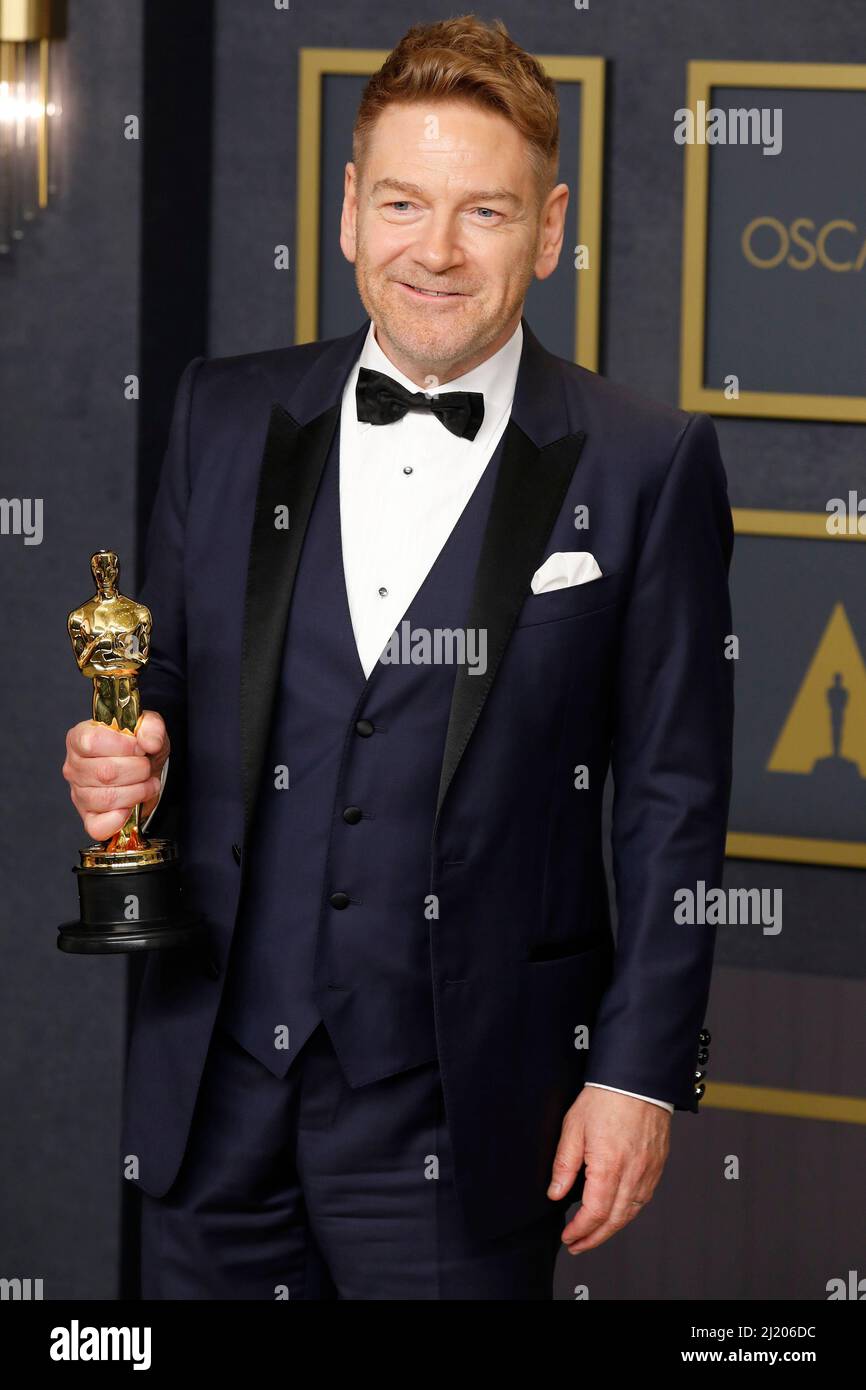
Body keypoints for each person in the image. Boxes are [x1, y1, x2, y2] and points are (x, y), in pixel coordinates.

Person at [61, 15, 733, 1300]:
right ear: (347, 212)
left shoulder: (646, 463)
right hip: (214, 1093)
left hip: (471, 1111)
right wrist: (117, 754)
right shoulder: (222, 409)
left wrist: (638, 1070)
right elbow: (172, 682)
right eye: (403, 203)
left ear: (547, 229)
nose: (434, 251)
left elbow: (672, 800)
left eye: (483, 212)